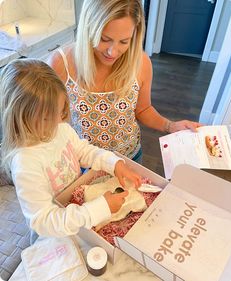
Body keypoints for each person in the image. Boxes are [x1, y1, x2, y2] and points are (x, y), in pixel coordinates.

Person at [0, 58, 141, 242]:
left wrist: (114, 164)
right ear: (20, 117)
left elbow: (84, 151)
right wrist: (99, 208)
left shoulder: (60, 128)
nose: (59, 120)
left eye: (60, 111)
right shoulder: (25, 162)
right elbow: (44, 221)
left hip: (78, 211)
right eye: (47, 118)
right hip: (56, 234)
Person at [47, 0, 201, 163]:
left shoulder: (140, 63)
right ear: (88, 29)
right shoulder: (60, 64)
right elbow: (52, 121)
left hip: (130, 158)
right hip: (84, 162)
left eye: (124, 42)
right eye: (104, 39)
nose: (112, 52)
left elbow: (143, 109)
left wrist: (171, 126)